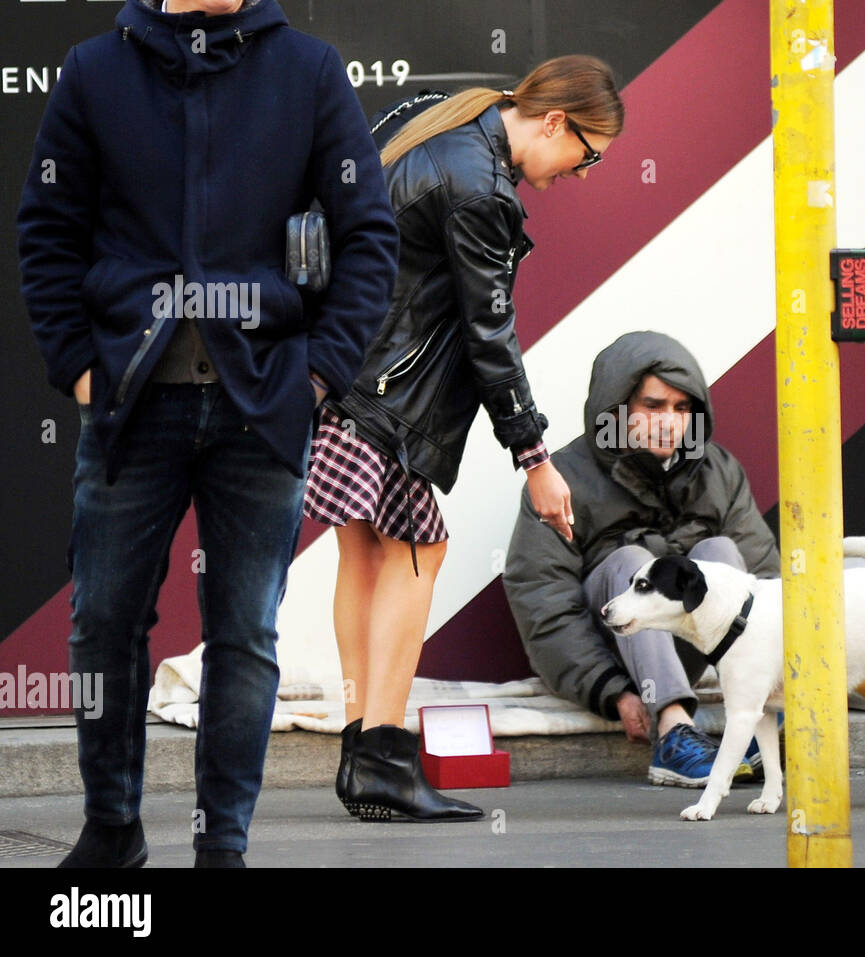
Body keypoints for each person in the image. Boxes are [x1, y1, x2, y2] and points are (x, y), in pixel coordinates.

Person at [16, 0, 399, 866]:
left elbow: (370, 235)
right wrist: (79, 365)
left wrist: (317, 373)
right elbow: (47, 230)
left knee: (244, 636)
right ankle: (111, 831)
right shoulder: (93, 71)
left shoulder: (309, 69)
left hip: (262, 405)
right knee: (102, 626)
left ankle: (221, 847)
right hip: (128, 404)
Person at [304, 55, 624, 821]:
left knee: (363, 550)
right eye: (587, 155)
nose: (579, 174)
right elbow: (490, 337)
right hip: (394, 396)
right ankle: (379, 753)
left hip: (339, 367)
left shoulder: (437, 113)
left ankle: (362, 748)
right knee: (420, 551)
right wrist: (536, 459)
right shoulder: (480, 188)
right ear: (555, 122)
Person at [504, 332, 780, 786]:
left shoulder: (718, 470)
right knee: (631, 561)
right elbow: (542, 600)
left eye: (681, 408)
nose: (669, 422)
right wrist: (613, 690)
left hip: (692, 645)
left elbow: (767, 586)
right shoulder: (564, 476)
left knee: (721, 554)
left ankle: (749, 721)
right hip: (615, 649)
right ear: (617, 409)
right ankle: (674, 732)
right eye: (653, 406)